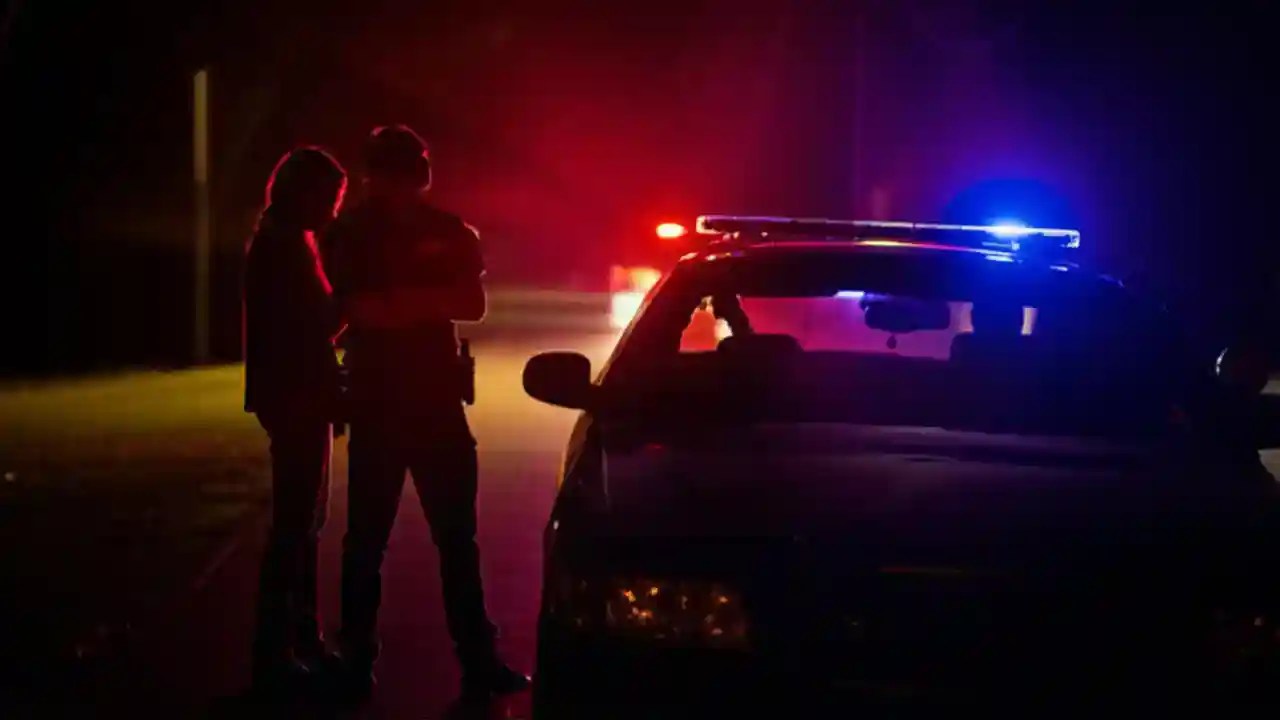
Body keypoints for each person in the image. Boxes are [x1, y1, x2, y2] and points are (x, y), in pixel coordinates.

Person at [323, 125, 528, 702]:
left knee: (390, 541)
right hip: (409, 400)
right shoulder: (435, 233)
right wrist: (422, 304)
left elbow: (461, 305)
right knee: (431, 541)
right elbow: (452, 303)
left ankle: (361, 660)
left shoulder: (358, 233)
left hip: (399, 399)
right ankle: (467, 661)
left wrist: (394, 307)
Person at [242, 147, 348, 694]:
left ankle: (299, 642)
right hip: (297, 398)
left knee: (304, 524)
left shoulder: (283, 243)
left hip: (296, 397)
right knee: (296, 526)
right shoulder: (284, 250)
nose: (332, 209)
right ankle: (278, 650)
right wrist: (353, 298)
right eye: (328, 198)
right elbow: (313, 326)